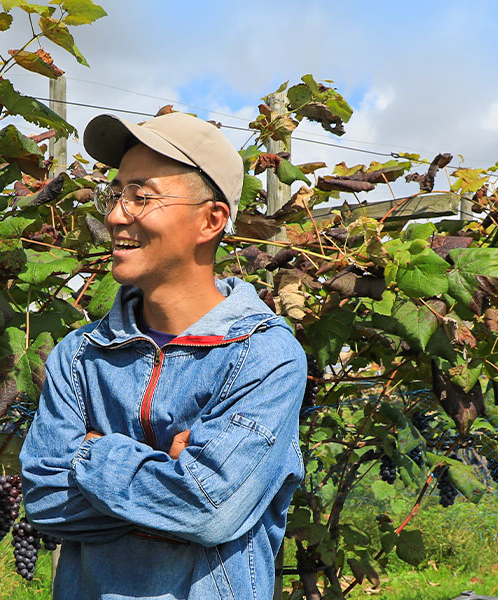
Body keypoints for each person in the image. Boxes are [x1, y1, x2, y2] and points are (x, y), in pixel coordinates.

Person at [20, 112, 307, 600]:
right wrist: (169, 475)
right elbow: (45, 502)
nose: (115, 215)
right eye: (116, 194)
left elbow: (207, 511)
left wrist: (90, 453)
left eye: (141, 196)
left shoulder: (265, 355)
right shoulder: (79, 355)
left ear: (211, 220)